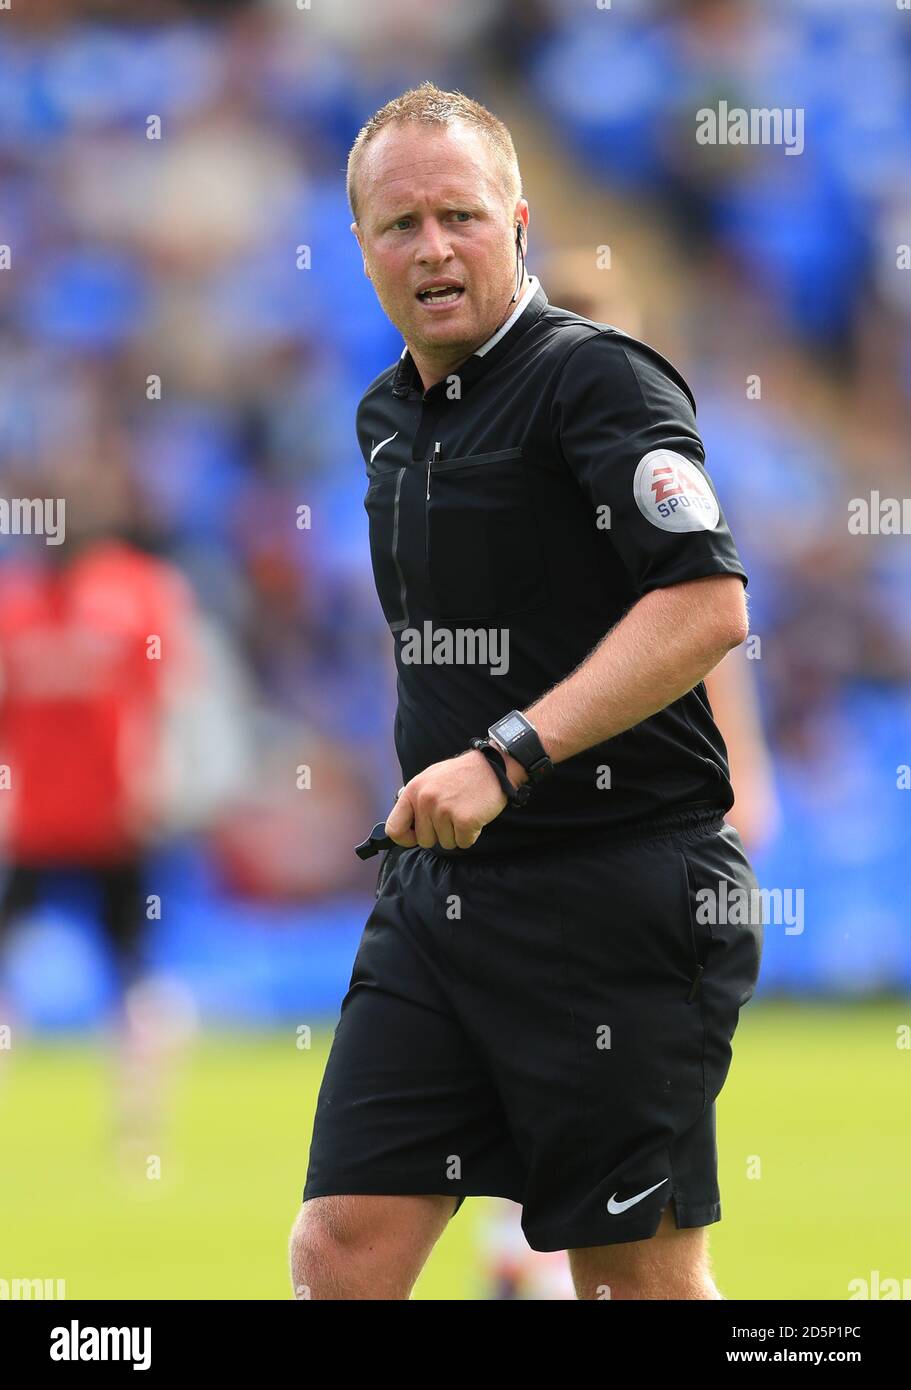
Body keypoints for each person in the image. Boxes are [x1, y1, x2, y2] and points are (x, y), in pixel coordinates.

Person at [289, 82, 763, 1301]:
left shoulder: (596, 380)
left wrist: (504, 756)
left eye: (458, 214)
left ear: (516, 221)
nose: (431, 247)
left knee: (627, 1282)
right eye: (399, 225)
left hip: (615, 891)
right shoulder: (384, 415)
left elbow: (706, 605)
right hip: (441, 899)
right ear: (360, 247)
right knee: (340, 1248)